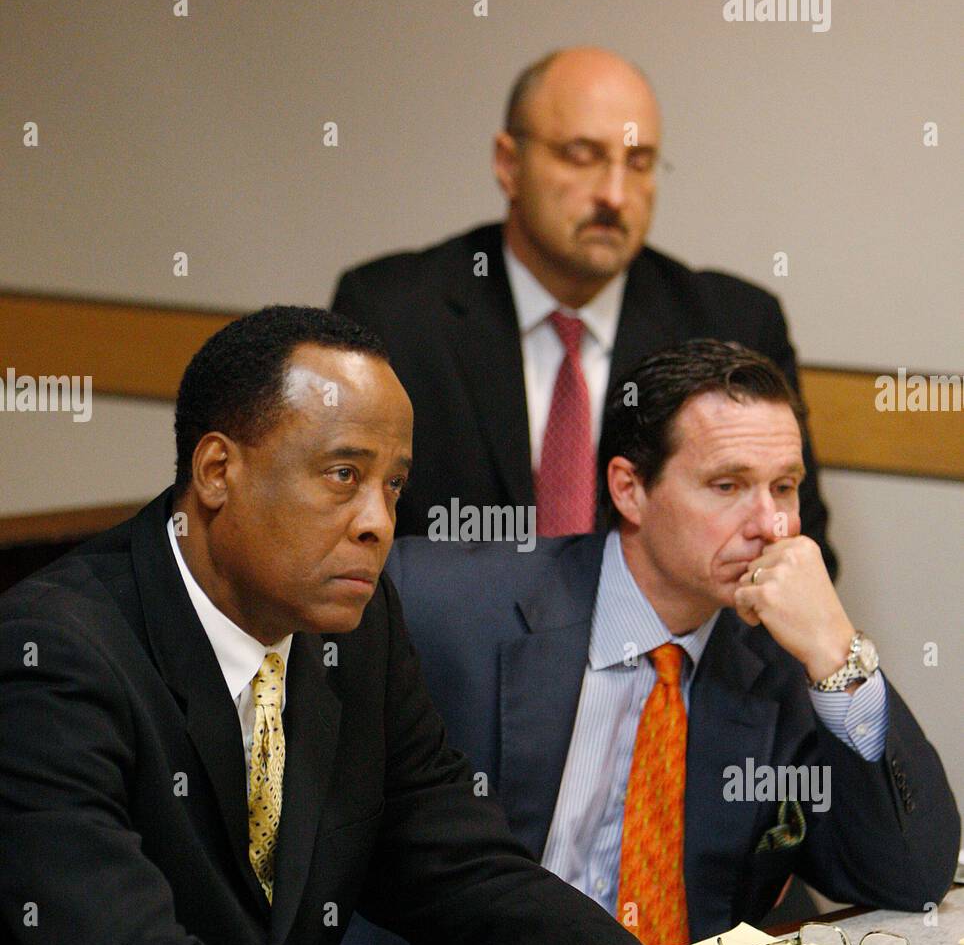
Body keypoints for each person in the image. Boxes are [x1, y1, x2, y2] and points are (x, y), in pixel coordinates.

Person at [0, 307, 754, 945]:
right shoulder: (52, 656)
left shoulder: (354, 630)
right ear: (218, 471)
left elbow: (454, 866)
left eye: (393, 485)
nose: (379, 523)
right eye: (342, 476)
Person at [334, 340, 958, 945]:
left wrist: (837, 653)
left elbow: (909, 879)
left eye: (785, 487)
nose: (772, 525)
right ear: (629, 490)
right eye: (728, 485)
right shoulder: (443, 607)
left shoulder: (787, 662)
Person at [332, 46, 837, 576]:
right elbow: (342, 540)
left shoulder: (730, 323)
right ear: (509, 164)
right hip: (443, 654)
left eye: (638, 163)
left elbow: (799, 557)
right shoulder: (397, 311)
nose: (615, 195)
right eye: (582, 156)